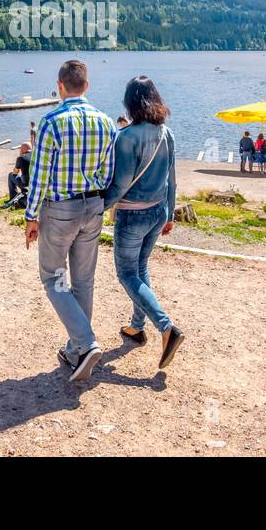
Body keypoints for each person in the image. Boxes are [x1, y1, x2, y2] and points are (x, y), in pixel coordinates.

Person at [24, 59, 117, 383]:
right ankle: (77, 351)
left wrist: (30, 216)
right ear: (86, 86)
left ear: (60, 86)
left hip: (60, 208)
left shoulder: (51, 122)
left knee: (53, 278)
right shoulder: (107, 123)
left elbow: (39, 176)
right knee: (84, 281)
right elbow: (108, 173)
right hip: (93, 207)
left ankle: (86, 342)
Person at [103, 76, 185, 370]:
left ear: (130, 103)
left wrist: (98, 207)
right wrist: (171, 214)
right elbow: (172, 180)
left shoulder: (126, 137)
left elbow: (121, 184)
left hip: (133, 215)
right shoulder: (167, 133)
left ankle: (167, 328)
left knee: (126, 274)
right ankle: (137, 327)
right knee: (140, 269)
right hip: (158, 211)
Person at [4, 142, 31, 207]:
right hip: (34, 183)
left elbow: (15, 173)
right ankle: (24, 192)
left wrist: (20, 156)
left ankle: (13, 196)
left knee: (11, 175)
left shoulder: (21, 158)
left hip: (26, 184)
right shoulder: (35, 156)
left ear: (22, 150)